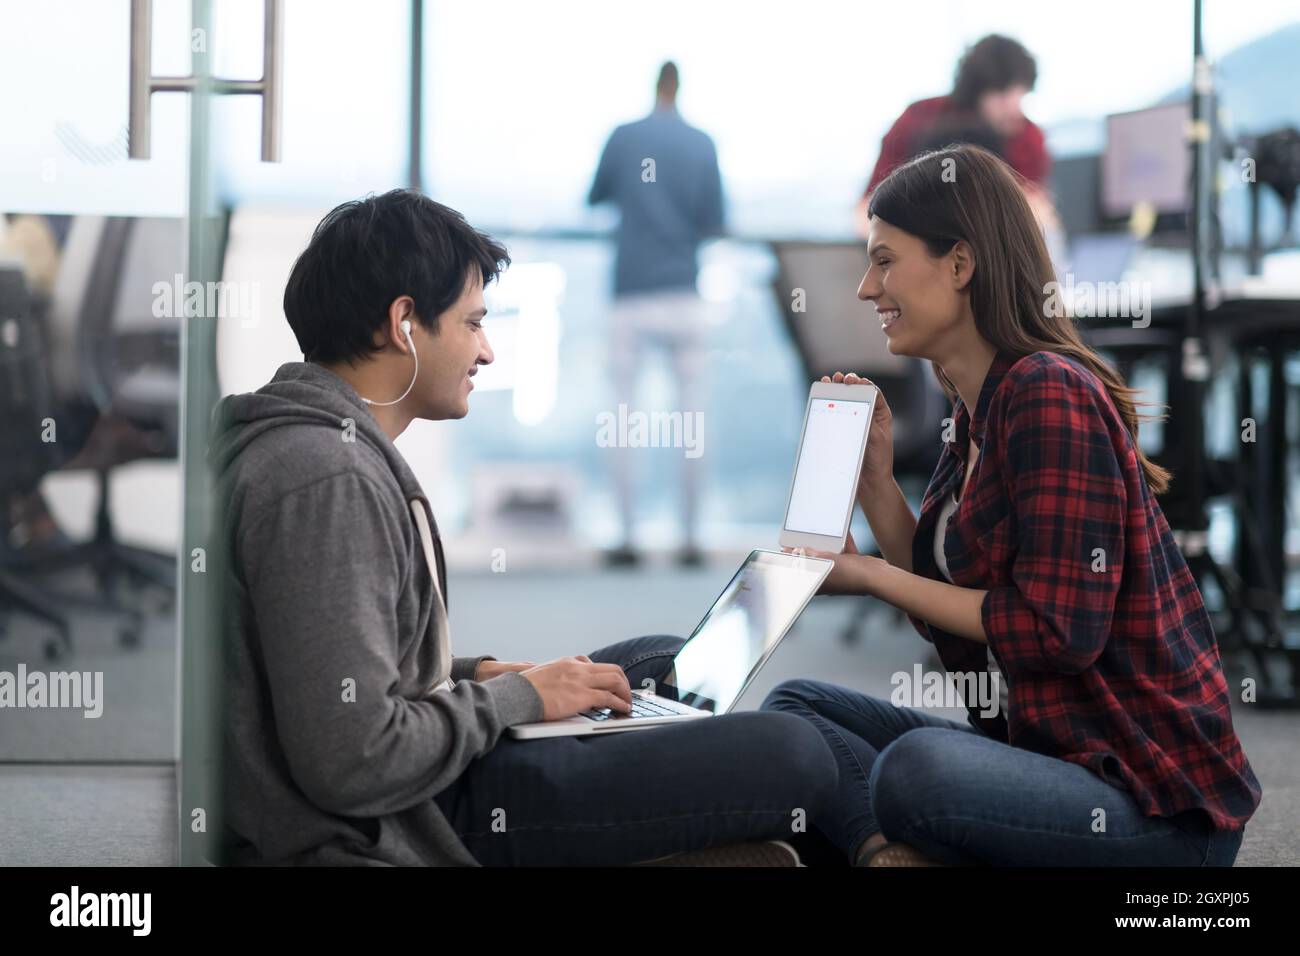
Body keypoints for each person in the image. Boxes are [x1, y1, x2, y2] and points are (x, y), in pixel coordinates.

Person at [209, 189, 835, 866]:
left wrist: (473, 676)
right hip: (409, 817)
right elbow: (353, 759)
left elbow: (323, 668)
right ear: (404, 323)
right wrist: (512, 701)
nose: (488, 352)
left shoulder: (316, 451)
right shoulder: (328, 479)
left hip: (418, 778)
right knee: (791, 751)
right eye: (473, 323)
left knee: (653, 662)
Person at [762, 145, 1261, 866]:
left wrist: (869, 575)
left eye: (885, 260)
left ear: (961, 265)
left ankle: (901, 838)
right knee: (797, 715)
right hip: (1039, 750)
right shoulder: (974, 412)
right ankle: (886, 857)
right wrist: (873, 483)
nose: (867, 288)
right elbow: (952, 608)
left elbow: (1058, 632)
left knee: (915, 772)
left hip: (1147, 801)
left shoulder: (1047, 392)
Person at [588, 61, 725, 567]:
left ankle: (627, 537)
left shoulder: (624, 137)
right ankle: (691, 539)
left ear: (653, 88)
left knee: (624, 419)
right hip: (683, 295)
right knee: (692, 420)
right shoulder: (702, 143)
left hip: (631, 294)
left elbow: (596, 195)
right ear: (681, 89)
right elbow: (714, 220)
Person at [854, 35, 1053, 238]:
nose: (1013, 109)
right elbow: (866, 212)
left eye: (1020, 95)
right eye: (1002, 96)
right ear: (976, 92)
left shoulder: (1025, 135)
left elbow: (1037, 214)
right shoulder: (919, 119)